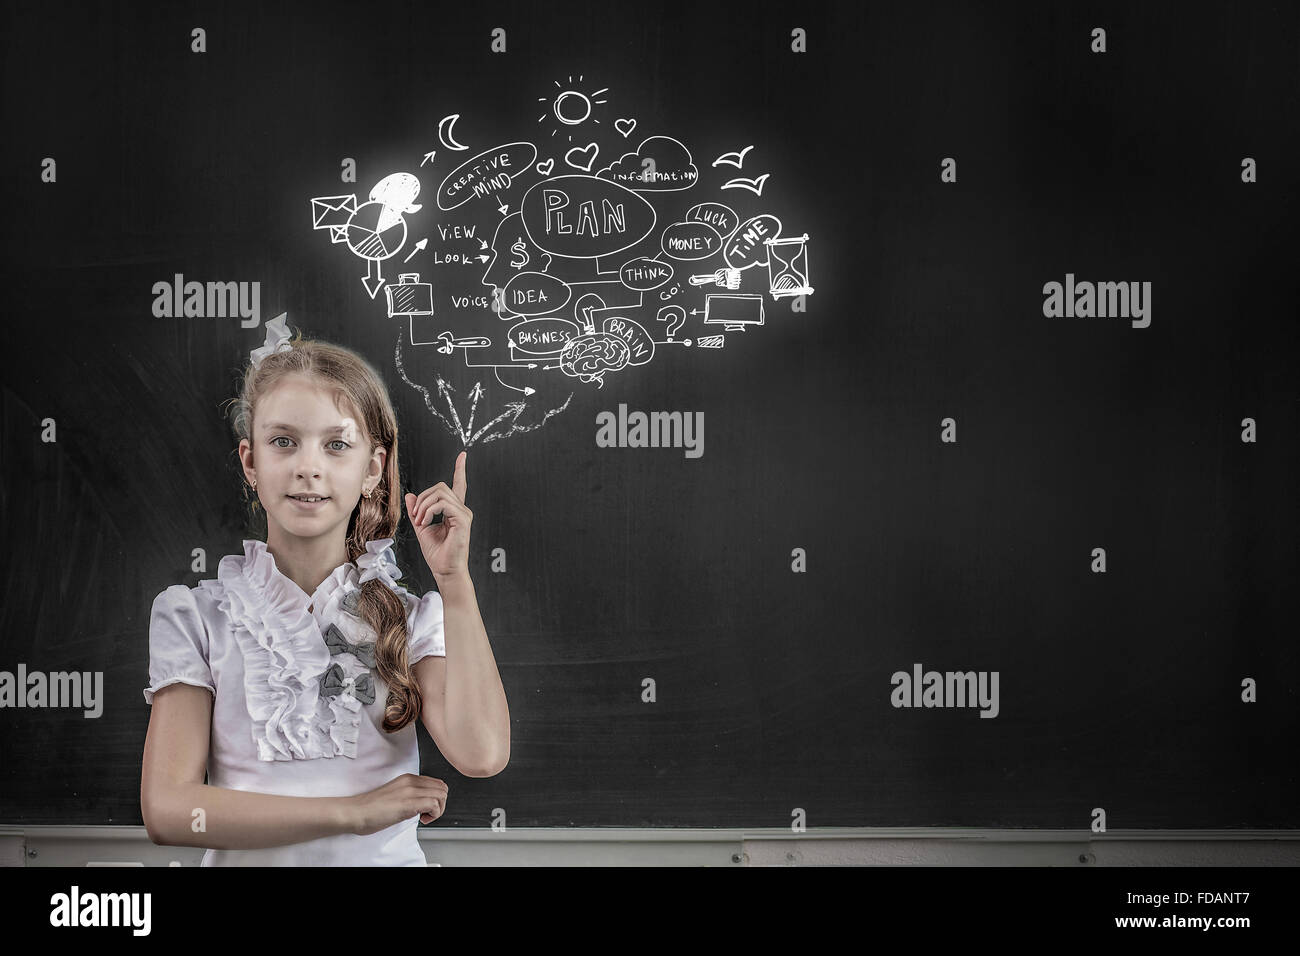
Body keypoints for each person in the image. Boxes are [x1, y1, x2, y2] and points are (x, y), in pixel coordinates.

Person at [139, 313, 510, 865]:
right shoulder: (197, 616)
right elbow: (169, 812)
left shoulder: (411, 617)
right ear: (250, 462)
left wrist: (454, 582)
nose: (308, 468)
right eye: (284, 441)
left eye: (337, 446)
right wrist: (351, 812)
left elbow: (482, 754)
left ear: (372, 469)